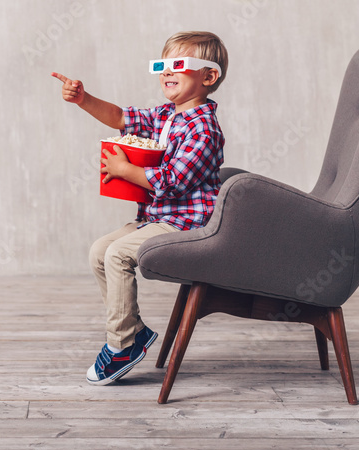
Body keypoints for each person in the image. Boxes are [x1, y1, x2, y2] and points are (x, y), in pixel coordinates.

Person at [51, 31, 228, 385]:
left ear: (208, 77)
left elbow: (172, 181)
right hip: (157, 217)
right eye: (162, 66)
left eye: (178, 65)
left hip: (188, 224)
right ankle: (134, 332)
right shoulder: (166, 115)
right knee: (100, 251)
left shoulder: (204, 129)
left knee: (118, 254)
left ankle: (122, 346)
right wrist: (84, 99)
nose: (166, 72)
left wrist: (125, 170)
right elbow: (120, 117)